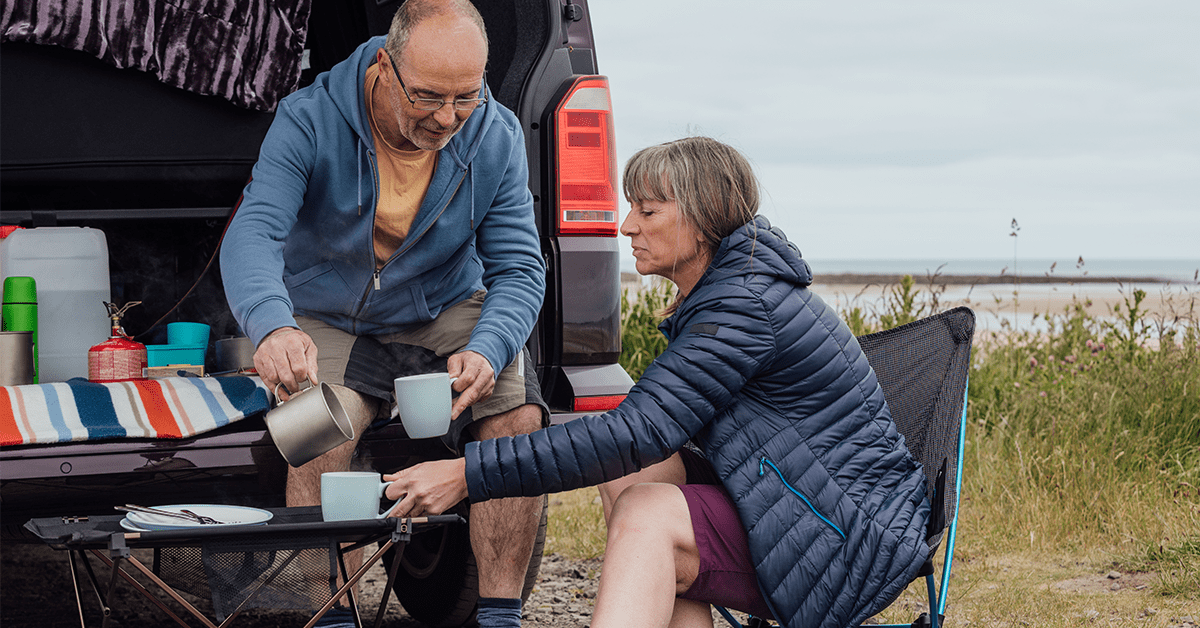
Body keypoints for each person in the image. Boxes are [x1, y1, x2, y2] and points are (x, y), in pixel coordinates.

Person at [380, 137, 933, 628]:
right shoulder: (735, 290)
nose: (627, 227)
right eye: (630, 209)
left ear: (703, 219)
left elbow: (633, 432)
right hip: (815, 503)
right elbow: (637, 440)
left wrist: (467, 473)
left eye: (647, 210)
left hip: (844, 542)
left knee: (647, 511)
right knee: (633, 478)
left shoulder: (741, 309)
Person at [219, 1, 546, 626]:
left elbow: (520, 269)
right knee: (316, 430)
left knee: (518, 417)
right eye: (427, 97)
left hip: (443, 304)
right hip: (330, 314)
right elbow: (254, 232)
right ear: (384, 66)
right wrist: (272, 322)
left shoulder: (495, 133)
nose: (447, 119)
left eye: (465, 98)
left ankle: (501, 616)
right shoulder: (310, 117)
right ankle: (331, 616)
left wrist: (491, 347)